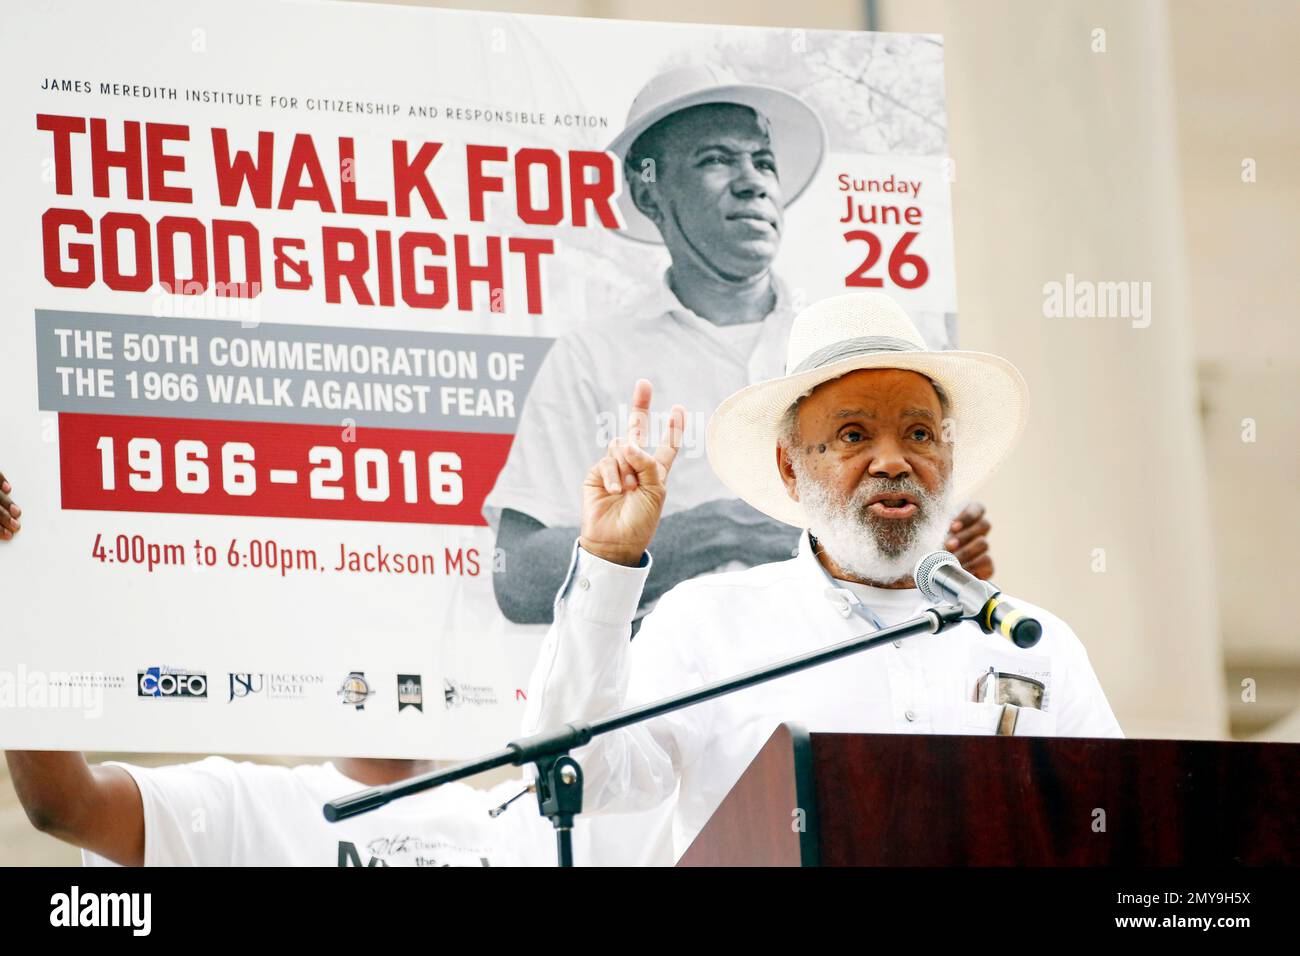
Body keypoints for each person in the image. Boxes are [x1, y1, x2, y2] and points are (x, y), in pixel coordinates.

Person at [521, 291, 1125, 860]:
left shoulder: (1029, 638)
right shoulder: (710, 621)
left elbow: (1117, 826)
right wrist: (608, 560)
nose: (892, 461)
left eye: (919, 433)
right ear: (790, 468)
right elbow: (585, 776)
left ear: (949, 456)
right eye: (853, 435)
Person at [485, 64, 978, 625]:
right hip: (669, 694)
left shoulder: (848, 347)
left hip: (841, 679)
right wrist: (711, 532)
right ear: (651, 194)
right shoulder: (594, 357)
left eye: (763, 161)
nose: (753, 181)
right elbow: (519, 577)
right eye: (716, 160)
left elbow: (938, 552)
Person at [0, 478, 560, 867]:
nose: (402, 634)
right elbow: (64, 804)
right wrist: (12, 584)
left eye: (424, 606)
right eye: (374, 610)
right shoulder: (248, 807)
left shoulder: (525, 817)